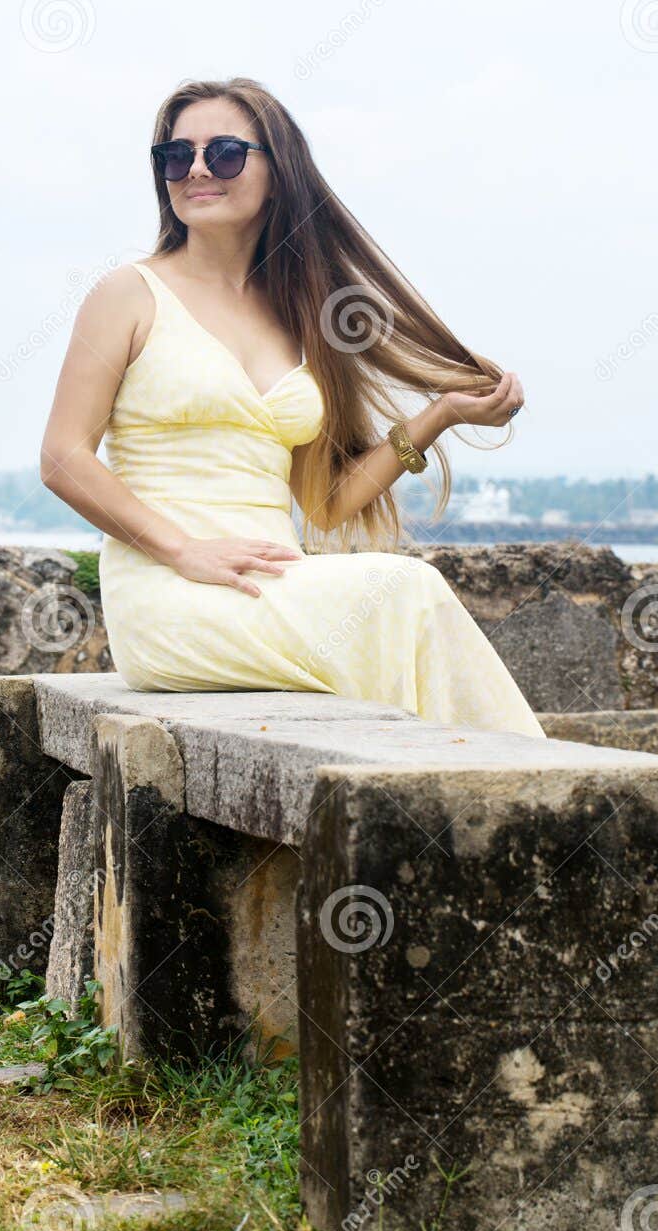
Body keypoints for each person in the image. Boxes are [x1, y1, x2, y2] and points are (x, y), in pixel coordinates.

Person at [40, 76, 545, 737]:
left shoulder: (299, 319)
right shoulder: (128, 294)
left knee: (399, 615)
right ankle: (519, 788)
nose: (194, 170)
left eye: (221, 153)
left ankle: (473, 803)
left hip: (273, 585)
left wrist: (438, 416)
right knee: (406, 593)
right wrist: (183, 550)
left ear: (277, 175)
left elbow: (326, 504)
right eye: (174, 155)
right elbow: (62, 457)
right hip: (170, 594)